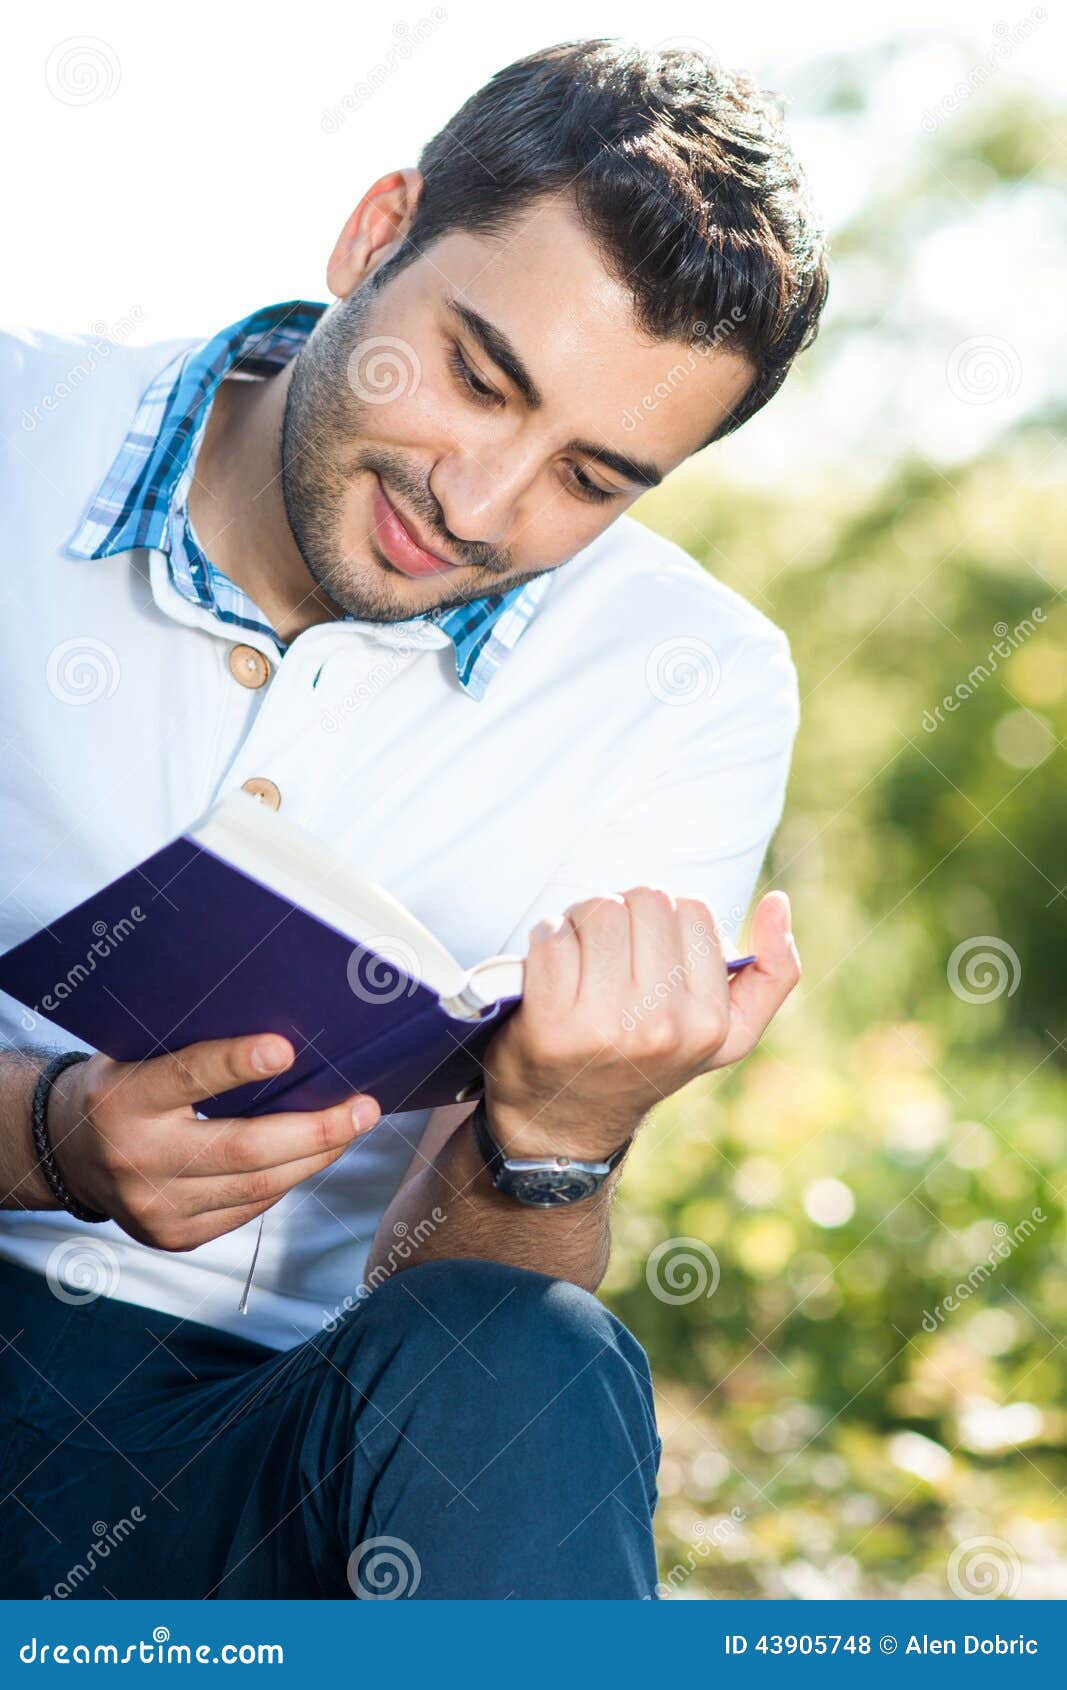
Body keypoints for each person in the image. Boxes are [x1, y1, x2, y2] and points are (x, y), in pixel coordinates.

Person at [0, 40, 825, 1598]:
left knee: (532, 1354)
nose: (481, 502)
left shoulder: (691, 682)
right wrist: (47, 1137)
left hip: (250, 1444)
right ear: (376, 235)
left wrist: (559, 1142)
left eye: (591, 474)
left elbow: (458, 1353)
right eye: (476, 376)